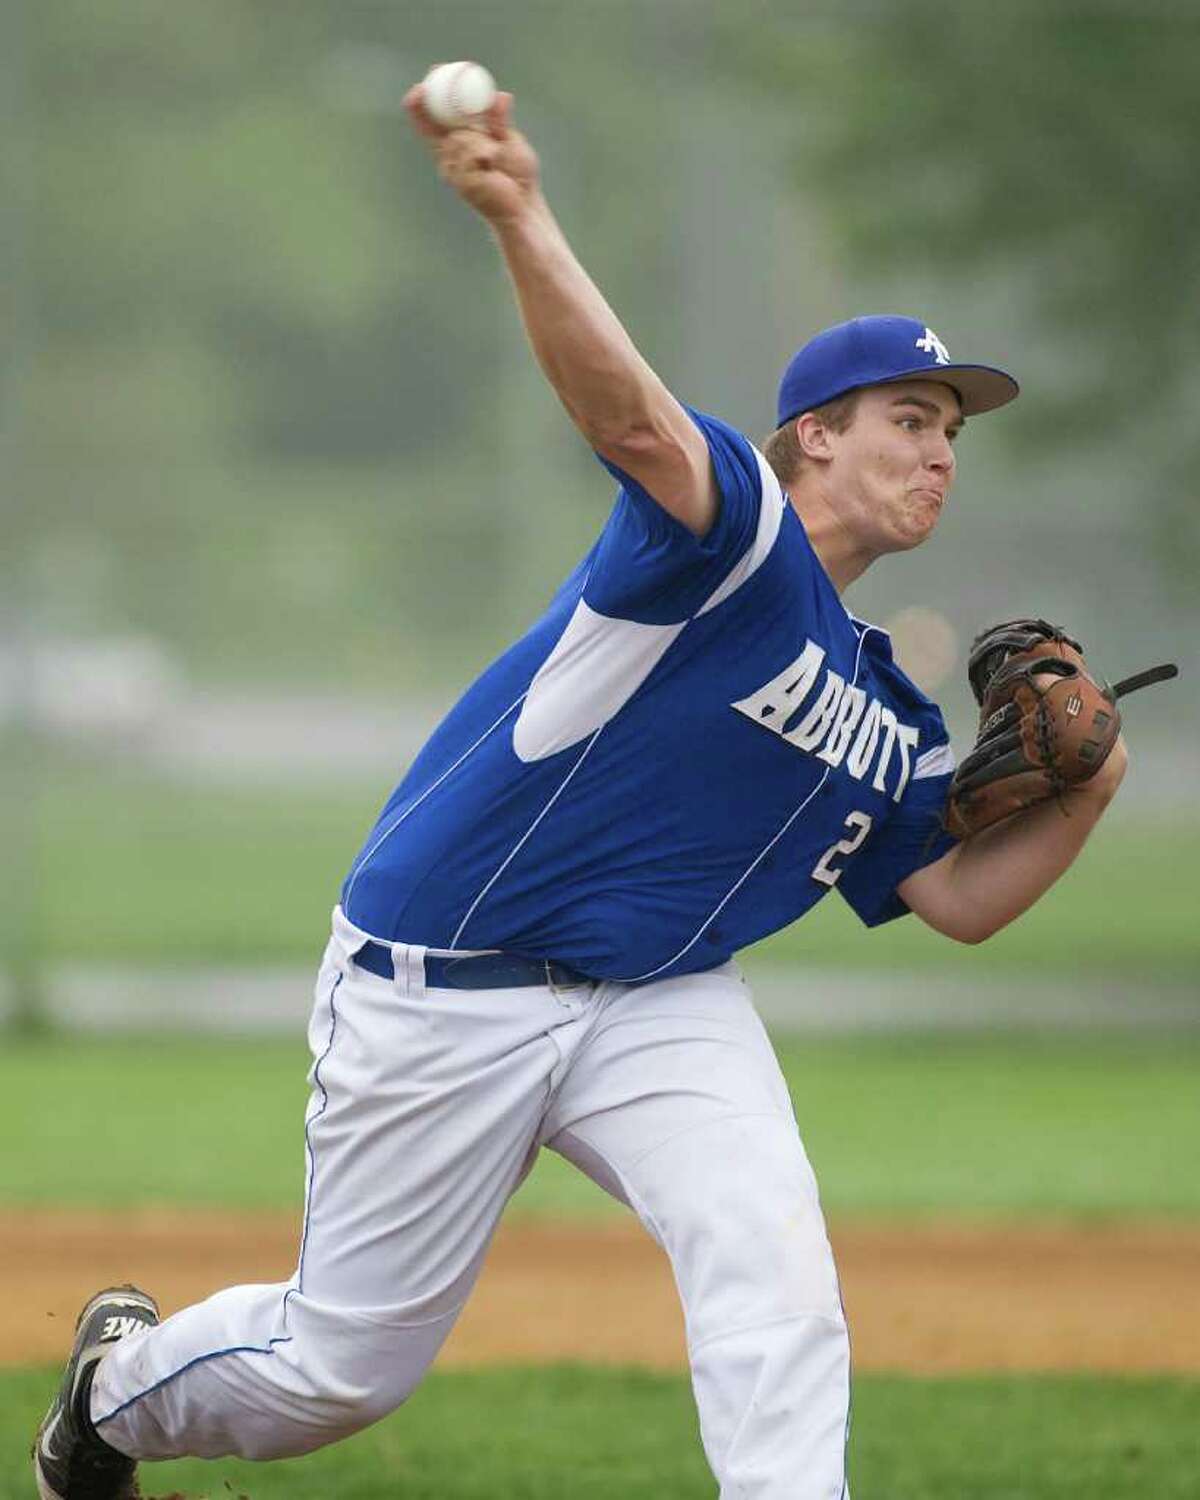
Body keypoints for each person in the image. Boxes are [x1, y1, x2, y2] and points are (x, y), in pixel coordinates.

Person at [35, 83, 1128, 1500]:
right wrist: (520, 215)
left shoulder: (887, 706)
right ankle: (114, 1395)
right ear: (815, 436)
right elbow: (628, 415)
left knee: (775, 1273)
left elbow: (955, 898)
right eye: (910, 418)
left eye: (951, 434)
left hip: (659, 1004)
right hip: (444, 987)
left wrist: (1088, 793)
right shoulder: (725, 536)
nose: (938, 453)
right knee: (339, 1373)